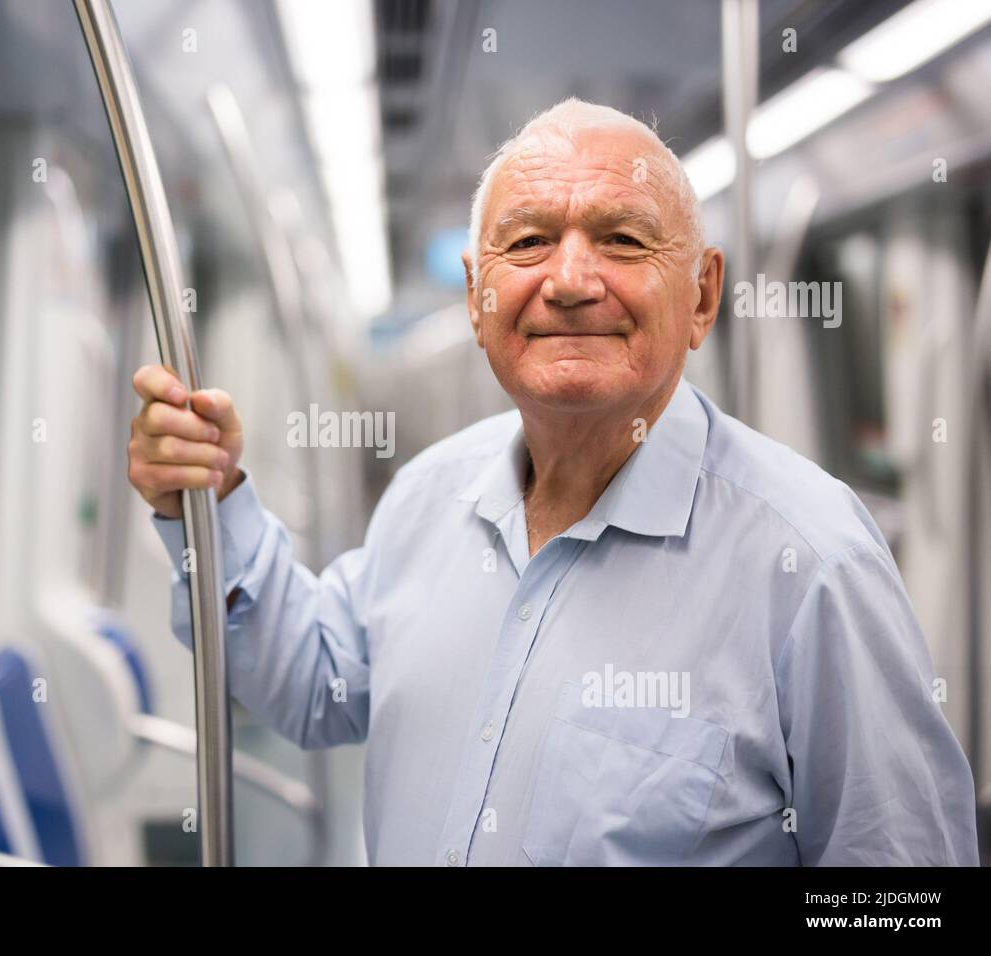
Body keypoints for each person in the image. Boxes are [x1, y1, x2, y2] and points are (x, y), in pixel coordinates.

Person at [127, 98, 978, 866]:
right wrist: (213, 499)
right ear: (475, 295)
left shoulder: (810, 560)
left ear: (703, 295)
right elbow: (315, 684)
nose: (570, 282)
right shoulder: (428, 497)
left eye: (624, 240)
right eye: (529, 241)